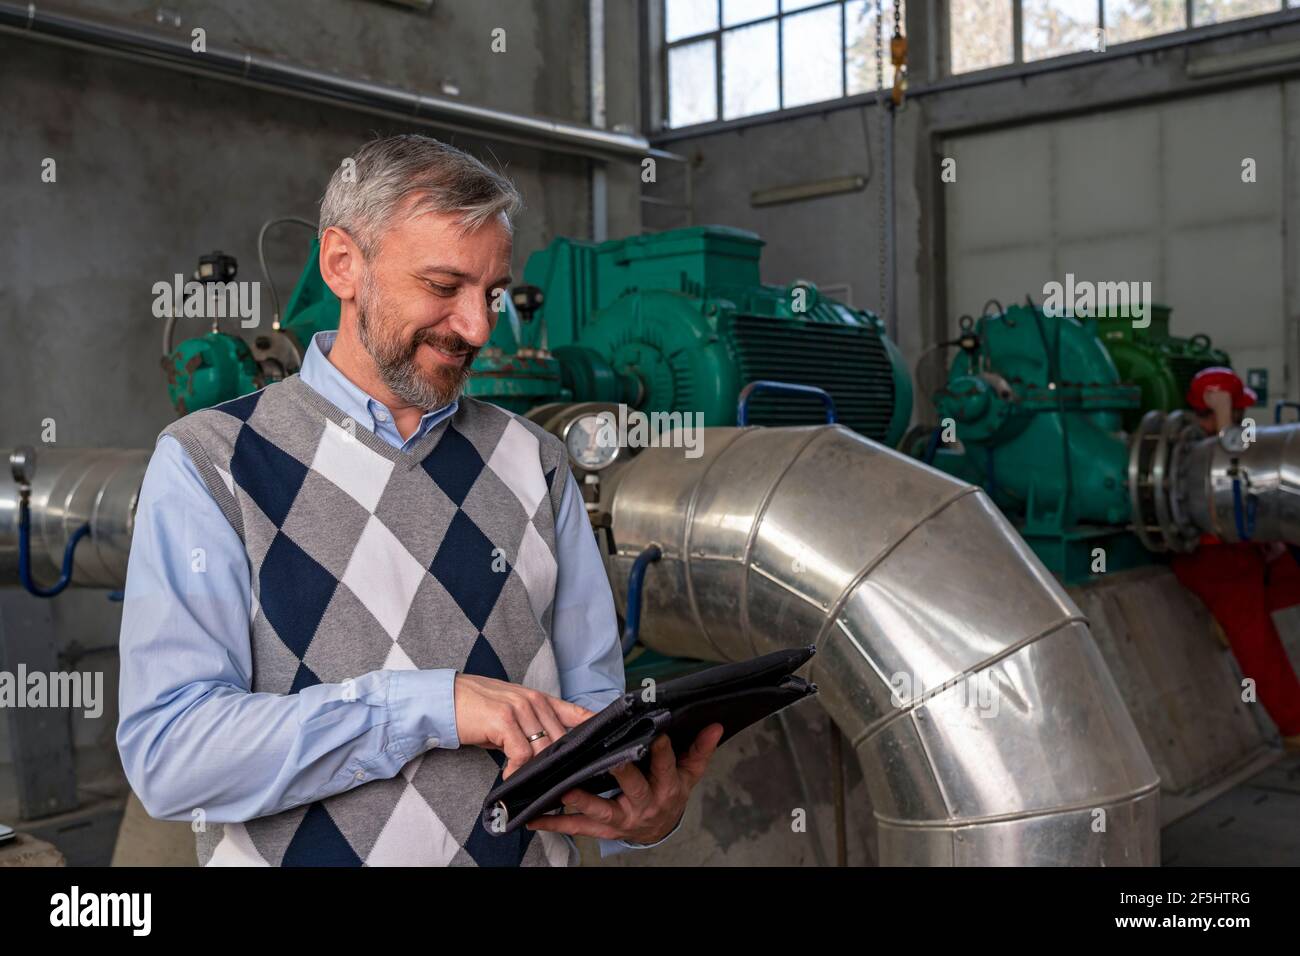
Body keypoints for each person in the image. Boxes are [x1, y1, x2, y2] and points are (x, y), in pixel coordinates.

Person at [116, 134, 723, 866]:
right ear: (343, 264)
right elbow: (170, 757)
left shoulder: (538, 461)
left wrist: (642, 814)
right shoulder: (210, 463)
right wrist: (433, 707)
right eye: (443, 287)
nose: (477, 327)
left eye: (492, 293)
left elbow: (591, 720)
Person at [1170, 367, 1300, 751]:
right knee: (1255, 637)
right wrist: (1223, 413)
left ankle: (1230, 621)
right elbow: (1229, 472)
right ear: (1209, 409)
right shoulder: (1197, 449)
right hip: (1211, 560)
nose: (1242, 420)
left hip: (1242, 546)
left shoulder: (1228, 438)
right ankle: (1294, 725)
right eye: (1236, 411)